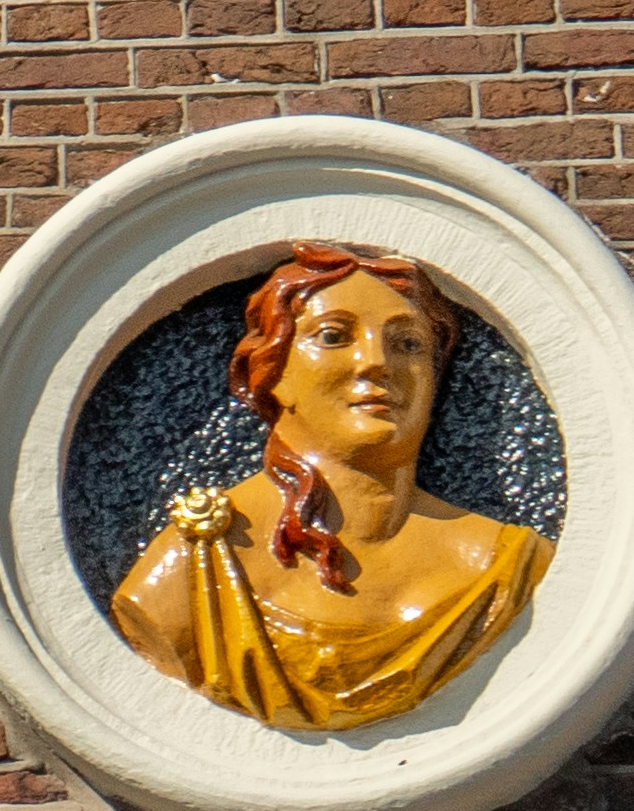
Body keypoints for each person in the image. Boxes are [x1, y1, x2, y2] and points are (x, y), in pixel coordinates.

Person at [107, 247, 543, 735]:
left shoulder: (512, 565)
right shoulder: (191, 570)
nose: (376, 363)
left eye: (408, 344)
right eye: (333, 336)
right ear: (272, 373)